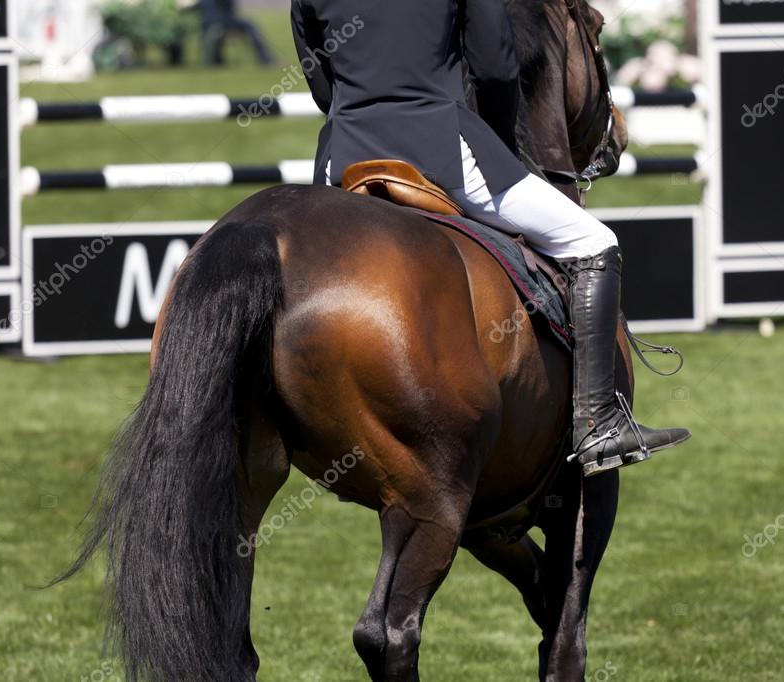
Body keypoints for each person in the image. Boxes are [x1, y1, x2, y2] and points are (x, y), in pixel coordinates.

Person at [290, 0, 690, 475]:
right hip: (439, 144)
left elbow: (320, 78)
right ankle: (599, 424)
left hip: (344, 157)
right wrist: (498, 146)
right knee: (593, 241)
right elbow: (496, 67)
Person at [201, 0, 274, 66]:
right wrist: (230, 27)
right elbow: (225, 12)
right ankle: (265, 59)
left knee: (249, 25)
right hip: (221, 22)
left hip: (208, 23)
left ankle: (217, 59)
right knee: (250, 26)